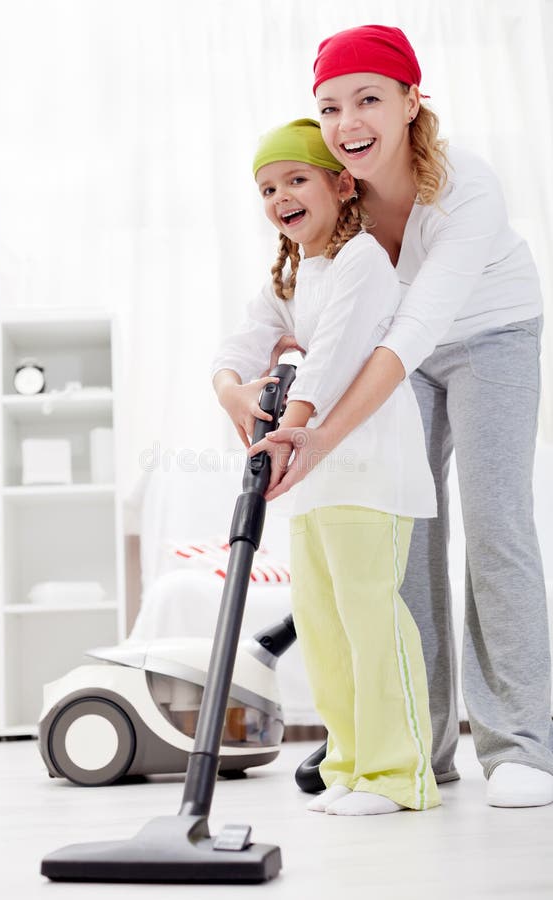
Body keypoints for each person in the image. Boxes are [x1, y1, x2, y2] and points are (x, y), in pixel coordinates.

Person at [250, 24, 553, 808]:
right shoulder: (335, 186)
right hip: (395, 352)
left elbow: (420, 328)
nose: (348, 122)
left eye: (369, 99)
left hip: (492, 332)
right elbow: (317, 297)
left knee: (497, 522)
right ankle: (414, 744)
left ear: (412, 100)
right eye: (330, 106)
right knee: (402, 529)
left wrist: (319, 435)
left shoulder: (465, 186)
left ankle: (521, 744)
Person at [212, 118, 440, 815]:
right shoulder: (287, 279)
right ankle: (348, 764)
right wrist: (231, 390)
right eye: (267, 187)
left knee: (371, 617)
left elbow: (337, 353)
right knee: (322, 621)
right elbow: (240, 346)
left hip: (369, 470)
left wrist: (295, 423)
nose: (280, 195)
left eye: (295, 179)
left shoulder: (363, 260)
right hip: (309, 481)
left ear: (342, 185)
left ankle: (398, 775)